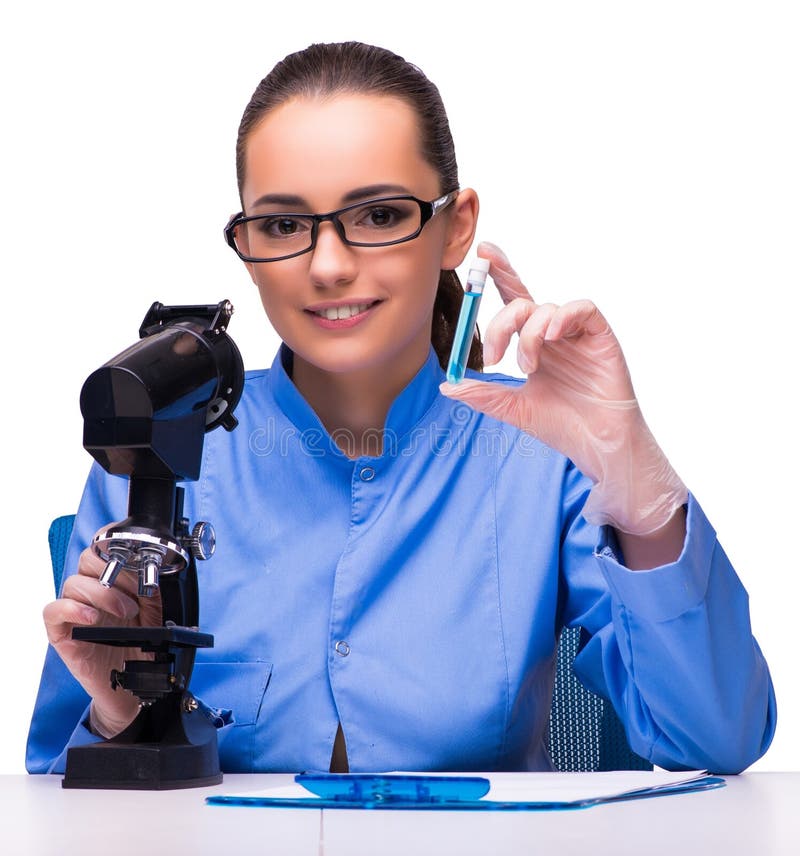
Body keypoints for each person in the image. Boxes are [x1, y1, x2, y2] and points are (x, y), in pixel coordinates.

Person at [27, 41, 775, 776]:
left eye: (380, 215)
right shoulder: (161, 456)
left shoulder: (545, 454)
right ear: (247, 245)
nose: (327, 266)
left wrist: (633, 470)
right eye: (284, 225)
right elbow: (58, 788)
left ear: (455, 227)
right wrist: (123, 717)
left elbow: (716, 737)